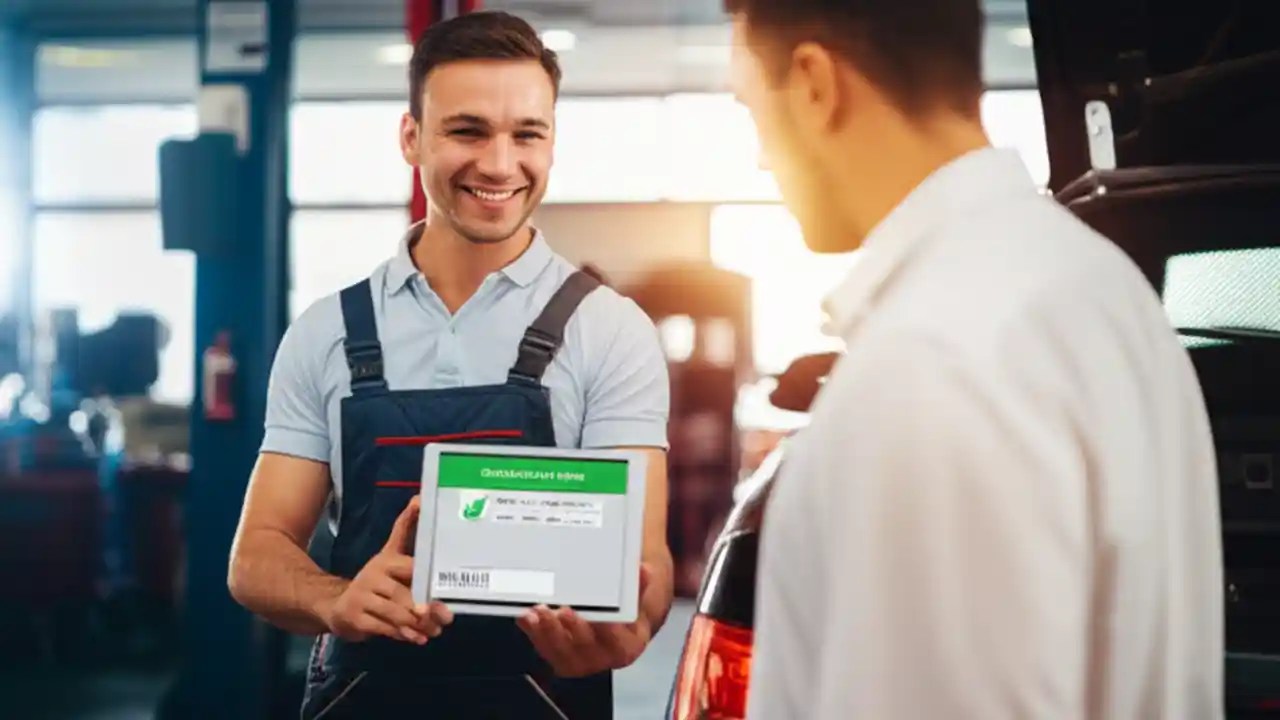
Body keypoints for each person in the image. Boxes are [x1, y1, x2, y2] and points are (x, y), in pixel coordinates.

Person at [725, 1, 1225, 718]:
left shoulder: (931, 362)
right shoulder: (1099, 285)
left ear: (812, 84)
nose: (758, 154)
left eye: (750, 108)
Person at [226, 11, 674, 719]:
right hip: (360, 698)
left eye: (527, 134)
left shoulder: (609, 331)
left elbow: (645, 567)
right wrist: (335, 598)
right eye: (467, 130)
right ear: (412, 138)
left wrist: (625, 629)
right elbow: (256, 555)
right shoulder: (325, 334)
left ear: (551, 142)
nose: (499, 164)